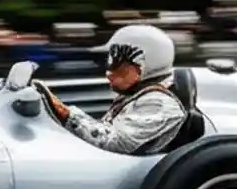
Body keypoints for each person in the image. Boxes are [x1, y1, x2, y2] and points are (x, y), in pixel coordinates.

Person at [40, 24, 187, 155]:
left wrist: (65, 113)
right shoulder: (135, 97)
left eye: (117, 66)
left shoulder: (159, 102)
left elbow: (115, 143)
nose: (108, 73)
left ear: (145, 65)